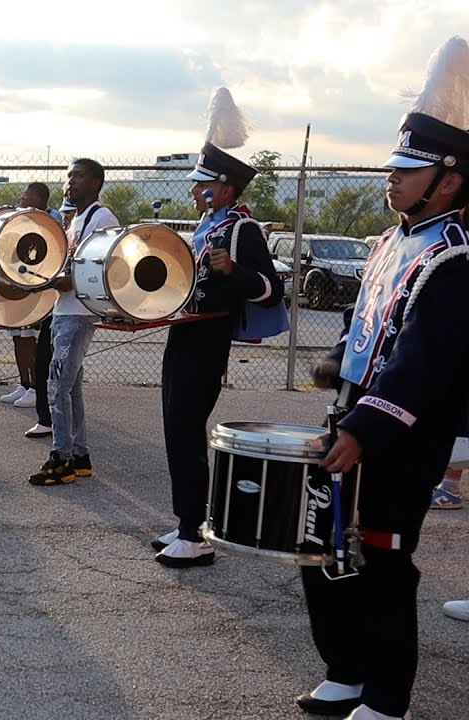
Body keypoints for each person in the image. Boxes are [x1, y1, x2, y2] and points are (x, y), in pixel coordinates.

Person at [296, 39, 469, 720]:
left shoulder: (455, 261)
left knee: (383, 560)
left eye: (407, 170)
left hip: (396, 436)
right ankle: (344, 666)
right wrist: (335, 362)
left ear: (450, 179)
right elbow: (364, 320)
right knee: (322, 542)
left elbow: (424, 361)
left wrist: (365, 429)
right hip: (352, 419)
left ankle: (387, 696)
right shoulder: (393, 243)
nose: (391, 180)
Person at [152, 88, 282, 569]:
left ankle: (195, 533)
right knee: (173, 428)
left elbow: (270, 289)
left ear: (226, 188)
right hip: (183, 333)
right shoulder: (206, 226)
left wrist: (234, 273)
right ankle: (186, 520)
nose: (195, 190)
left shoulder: (241, 230)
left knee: (186, 429)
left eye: (203, 183)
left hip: (208, 341)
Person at [28, 161, 118, 486]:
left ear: (96, 182)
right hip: (65, 311)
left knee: (57, 386)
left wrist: (69, 282)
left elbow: (108, 265)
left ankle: (61, 457)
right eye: (68, 177)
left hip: (79, 314)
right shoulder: (77, 220)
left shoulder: (102, 218)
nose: (70, 182)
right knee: (71, 388)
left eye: (78, 176)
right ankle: (79, 455)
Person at [17, 182, 64, 436]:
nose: (24, 198)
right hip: (50, 298)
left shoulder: (54, 221)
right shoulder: (25, 218)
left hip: (59, 302)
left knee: (54, 365)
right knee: (25, 339)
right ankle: (29, 388)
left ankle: (41, 400)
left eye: (28, 195)